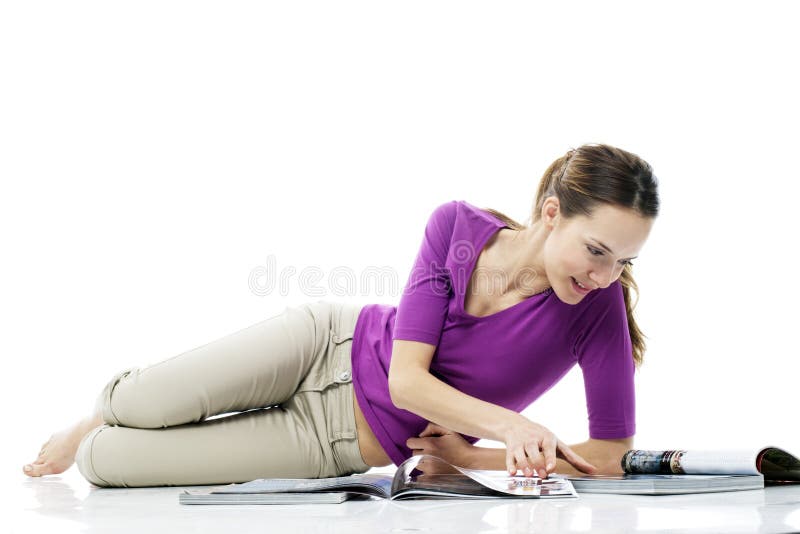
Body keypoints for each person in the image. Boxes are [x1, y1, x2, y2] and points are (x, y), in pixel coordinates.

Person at [23, 142, 658, 487]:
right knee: (137, 403)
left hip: (333, 441)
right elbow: (407, 381)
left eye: (623, 261)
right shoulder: (456, 227)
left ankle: (98, 437)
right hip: (321, 342)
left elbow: (610, 453)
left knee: (108, 464)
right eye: (596, 251)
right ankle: (97, 415)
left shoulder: (596, 310)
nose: (604, 276)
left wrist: (474, 460)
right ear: (552, 213)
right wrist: (511, 425)